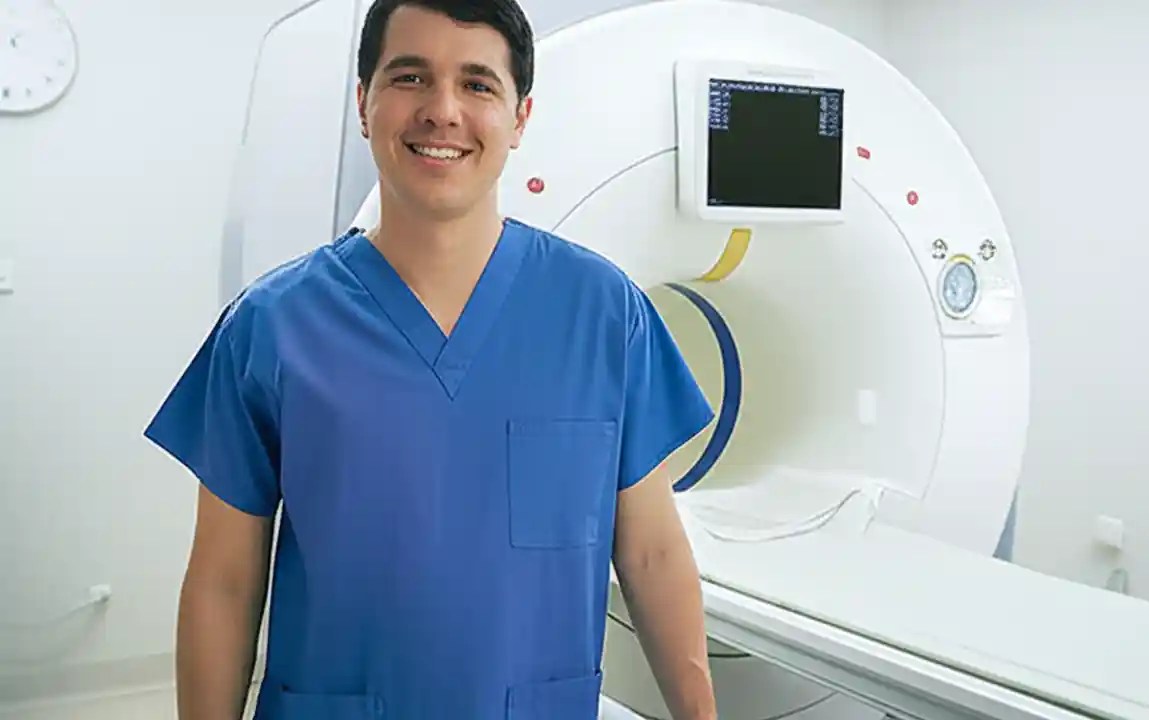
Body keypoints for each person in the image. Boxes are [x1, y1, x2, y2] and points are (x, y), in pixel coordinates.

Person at [144, 1, 719, 718]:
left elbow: (652, 556)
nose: (442, 110)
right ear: (364, 103)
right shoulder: (272, 326)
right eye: (410, 77)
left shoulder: (604, 313)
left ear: (521, 117)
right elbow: (224, 581)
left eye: (478, 84)